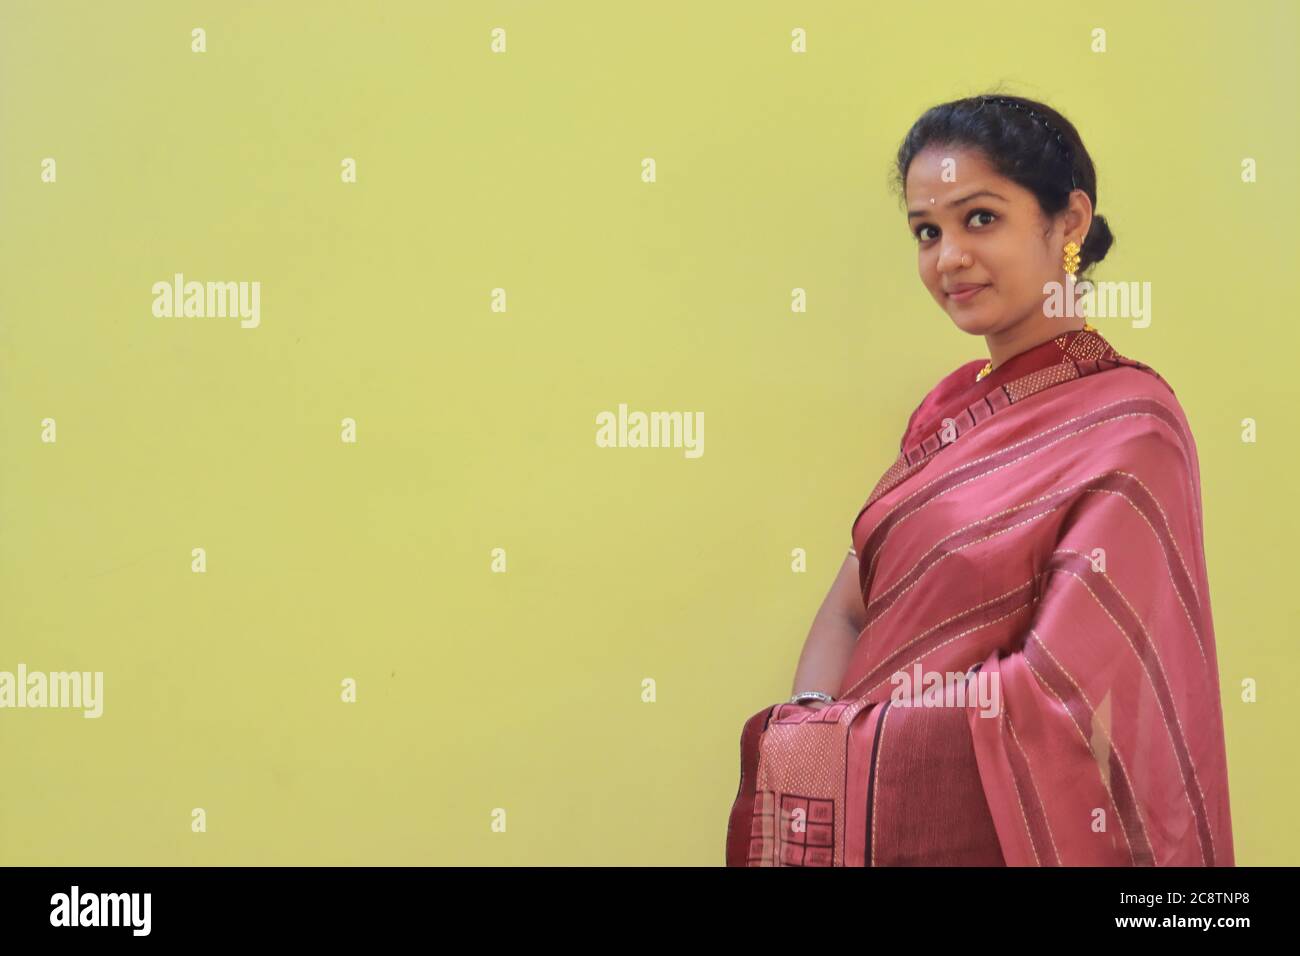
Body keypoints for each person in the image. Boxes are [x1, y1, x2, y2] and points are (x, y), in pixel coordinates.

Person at [726, 93, 1234, 866]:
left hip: (1007, 835)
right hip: (865, 832)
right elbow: (850, 609)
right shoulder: (945, 410)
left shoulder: (1133, 423)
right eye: (927, 231)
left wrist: (871, 758)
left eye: (980, 219)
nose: (948, 257)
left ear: (1067, 221)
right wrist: (815, 747)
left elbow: (1055, 691)